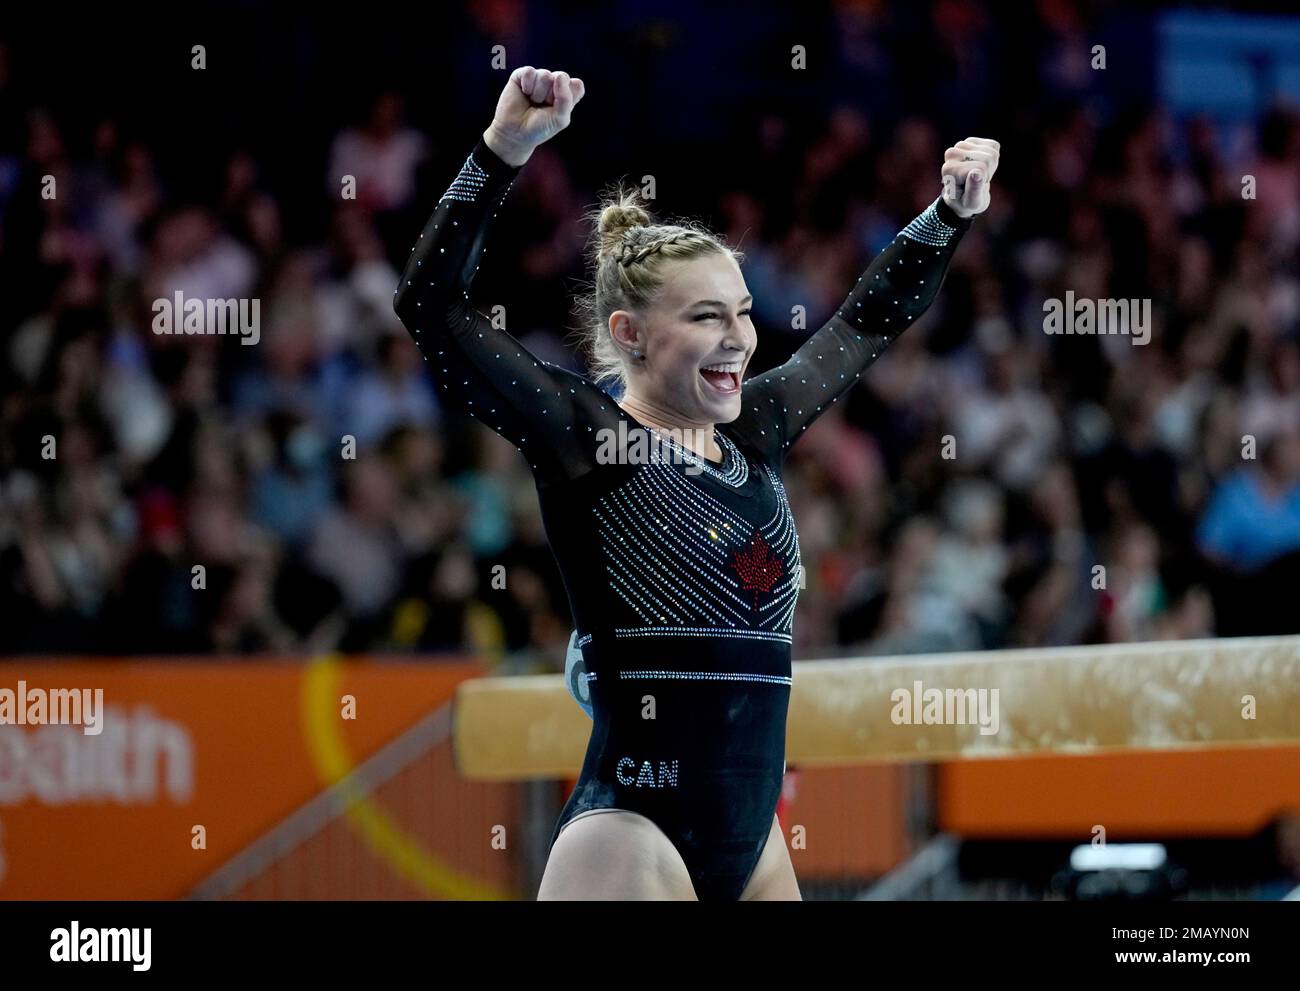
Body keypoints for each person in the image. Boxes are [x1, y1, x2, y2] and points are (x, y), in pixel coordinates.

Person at [393, 65, 998, 900]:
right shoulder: (586, 437)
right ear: (630, 333)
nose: (737, 339)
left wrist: (949, 215)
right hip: (631, 838)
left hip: (753, 842)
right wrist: (501, 151)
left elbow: (865, 322)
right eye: (705, 316)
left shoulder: (757, 427)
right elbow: (431, 308)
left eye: (743, 311)